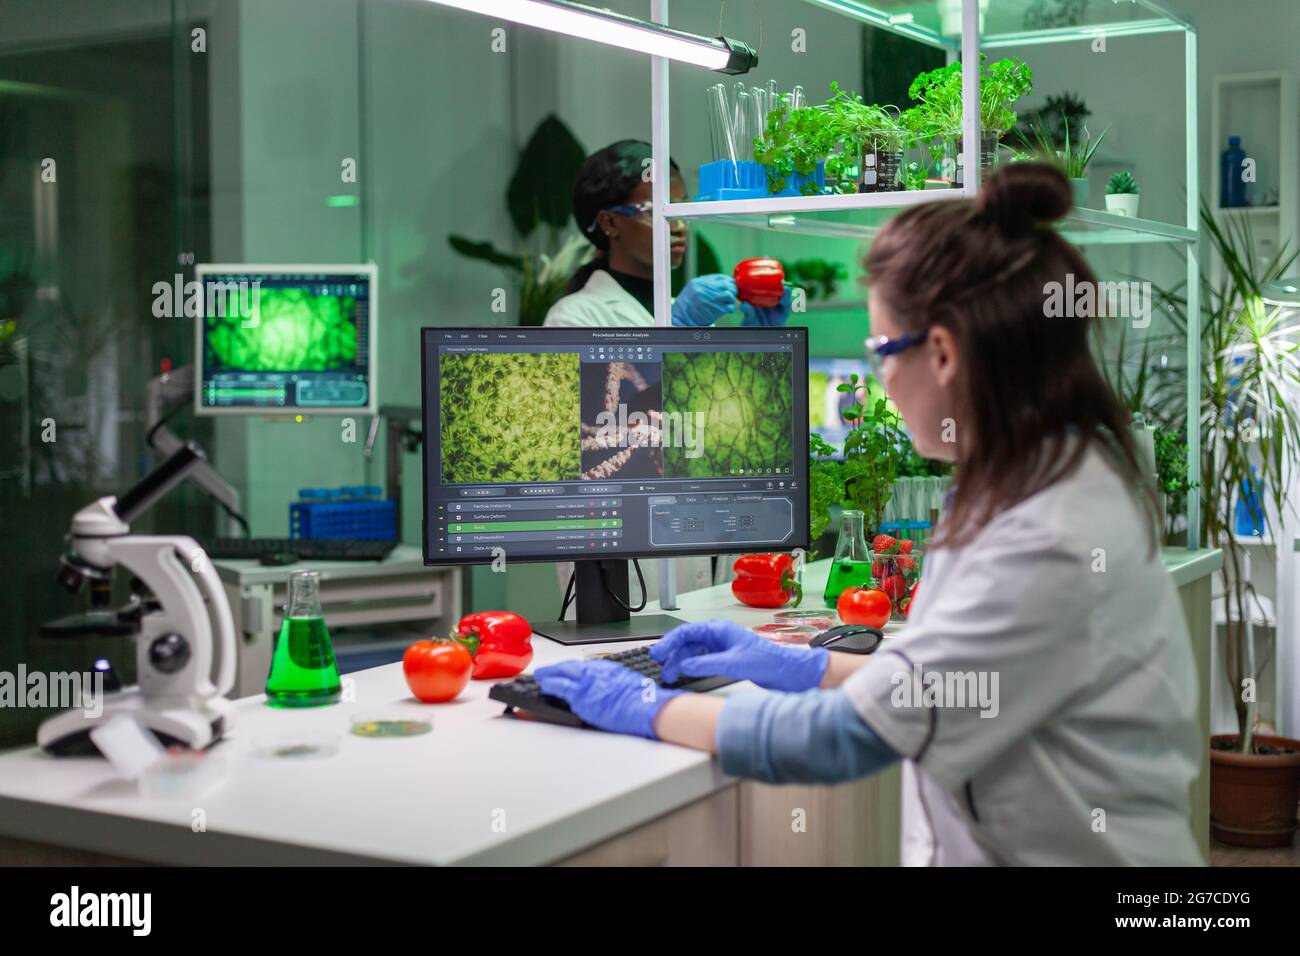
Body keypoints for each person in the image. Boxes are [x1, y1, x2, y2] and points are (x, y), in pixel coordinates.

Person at [533, 162, 1203, 866]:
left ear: (942, 353)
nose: (878, 375)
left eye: (881, 350)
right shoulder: (1034, 477)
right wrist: (792, 664)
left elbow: (846, 738)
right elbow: (939, 684)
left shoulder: (1049, 536)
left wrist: (644, 709)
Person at [545, 140, 791, 329]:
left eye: (679, 208)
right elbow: (608, 395)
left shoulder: (685, 311)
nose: (679, 225)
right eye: (657, 211)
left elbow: (717, 394)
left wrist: (758, 342)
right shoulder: (572, 317)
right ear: (609, 223)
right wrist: (675, 329)